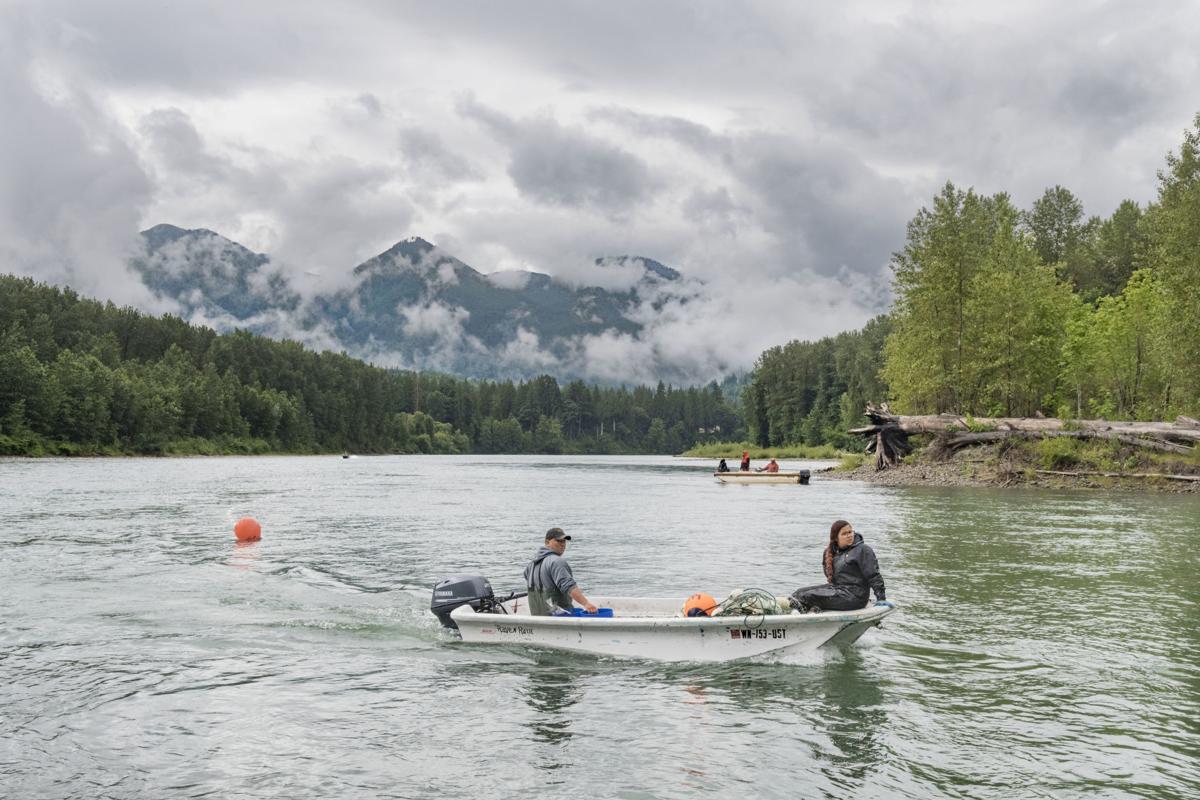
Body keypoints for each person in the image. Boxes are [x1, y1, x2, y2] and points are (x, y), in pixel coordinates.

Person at [789, 520, 886, 612]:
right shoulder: (829, 553)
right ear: (836, 538)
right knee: (798, 593)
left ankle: (802, 613)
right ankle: (803, 614)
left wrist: (881, 599)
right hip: (837, 590)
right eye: (844, 534)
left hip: (855, 597)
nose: (849, 536)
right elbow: (830, 577)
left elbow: (874, 575)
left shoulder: (863, 550)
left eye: (850, 532)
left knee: (806, 596)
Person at [523, 527, 598, 616]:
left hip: (538, 618)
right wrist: (586, 604)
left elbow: (527, 576)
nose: (563, 544)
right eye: (558, 541)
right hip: (559, 618)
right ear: (547, 542)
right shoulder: (556, 561)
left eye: (564, 541)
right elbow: (569, 586)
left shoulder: (531, 565)